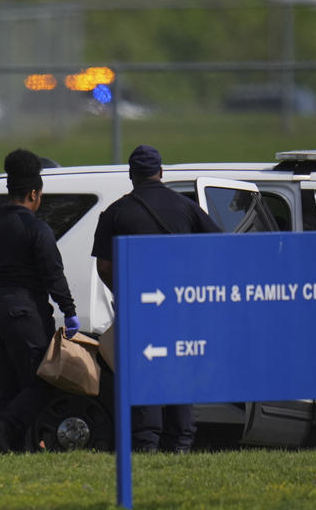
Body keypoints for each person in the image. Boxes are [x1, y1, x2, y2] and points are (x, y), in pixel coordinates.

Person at [91, 144, 221, 453]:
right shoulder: (186, 207)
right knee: (179, 370)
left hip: (140, 310)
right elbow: (220, 249)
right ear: (161, 172)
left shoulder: (116, 212)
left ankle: (146, 444)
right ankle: (180, 443)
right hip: (180, 310)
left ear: (131, 175)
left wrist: (126, 293)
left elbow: (104, 267)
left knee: (144, 372)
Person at [0, 148, 80, 453]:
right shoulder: (36, 229)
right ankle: (6, 426)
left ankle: (8, 448)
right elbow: (53, 274)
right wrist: (69, 310)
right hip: (22, 312)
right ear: (34, 194)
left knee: (4, 385)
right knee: (44, 381)